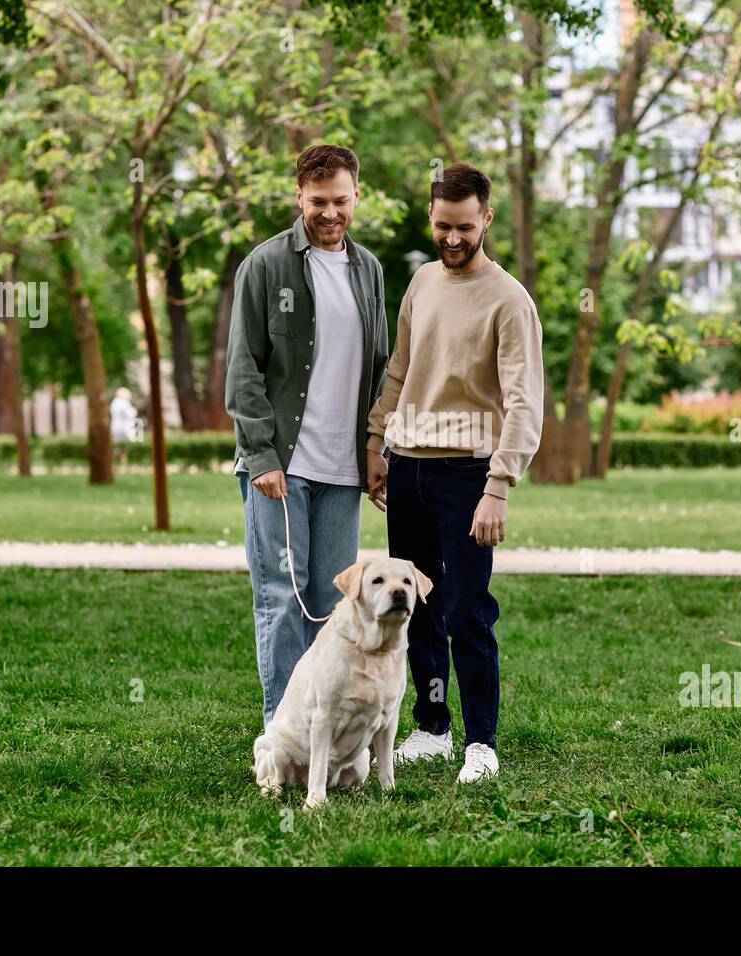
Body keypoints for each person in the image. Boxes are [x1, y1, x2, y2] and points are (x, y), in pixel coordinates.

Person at [365, 162, 545, 783]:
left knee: (468, 609)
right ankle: (434, 727)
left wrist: (499, 488)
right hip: (407, 468)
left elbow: (524, 401)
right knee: (415, 608)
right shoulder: (421, 282)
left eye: (464, 228)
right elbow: (399, 368)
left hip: (469, 478)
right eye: (443, 225)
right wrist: (375, 442)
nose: (452, 238)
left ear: (487, 219)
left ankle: (481, 745)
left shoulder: (510, 300)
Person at [226, 144, 390, 725]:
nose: (329, 213)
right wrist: (261, 455)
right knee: (280, 599)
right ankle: (281, 731)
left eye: (340, 201)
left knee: (333, 605)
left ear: (356, 197)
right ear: (299, 196)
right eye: (318, 201)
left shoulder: (368, 269)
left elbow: (380, 368)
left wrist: (377, 449)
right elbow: (243, 367)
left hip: (342, 470)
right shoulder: (266, 266)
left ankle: (325, 729)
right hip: (281, 468)